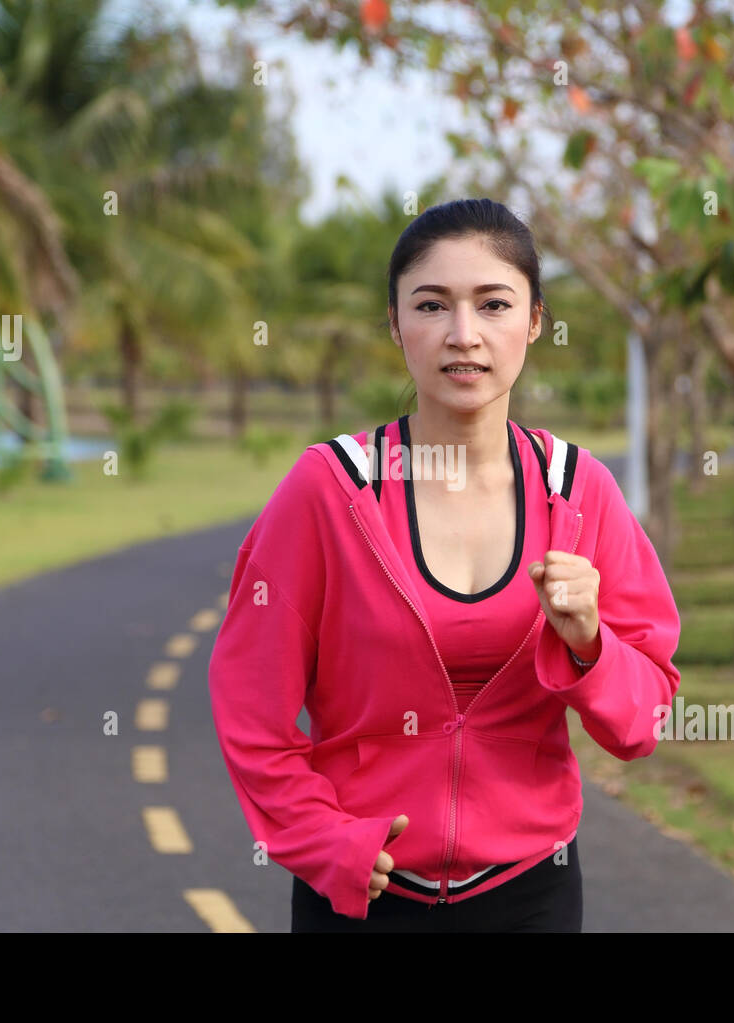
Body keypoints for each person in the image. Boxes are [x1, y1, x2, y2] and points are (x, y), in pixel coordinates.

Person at [207, 198, 682, 933]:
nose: (464, 335)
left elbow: (644, 718)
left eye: (494, 304)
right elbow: (250, 708)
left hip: (532, 895)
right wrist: (326, 841)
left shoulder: (579, 491)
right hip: (361, 897)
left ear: (534, 321)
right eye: (432, 305)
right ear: (396, 324)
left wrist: (590, 642)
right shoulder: (331, 489)